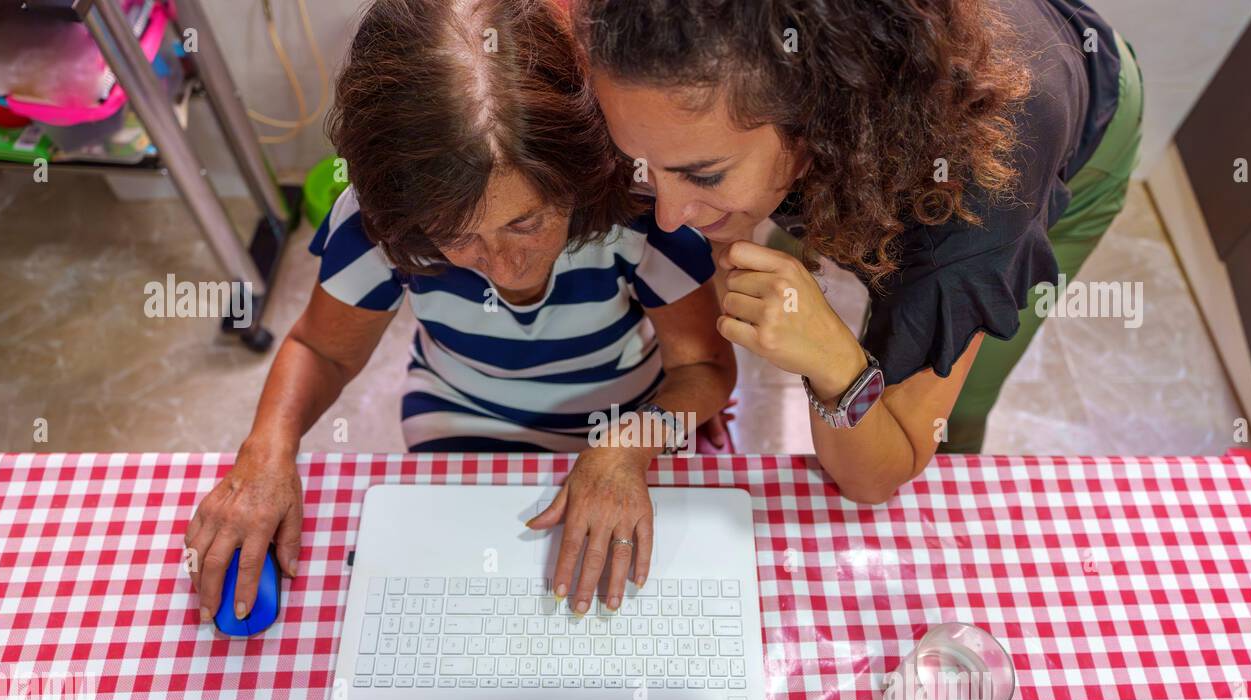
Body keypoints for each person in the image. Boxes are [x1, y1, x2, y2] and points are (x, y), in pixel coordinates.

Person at [185, 0, 734, 627]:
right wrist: (266, 452)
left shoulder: (638, 211)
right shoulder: (379, 220)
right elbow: (323, 350)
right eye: (457, 236)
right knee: (464, 611)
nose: (504, 269)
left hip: (624, 415)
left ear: (579, 177)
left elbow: (704, 367)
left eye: (526, 223)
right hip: (458, 419)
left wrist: (628, 445)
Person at [578, 0, 1143, 500]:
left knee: (953, 413)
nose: (667, 217)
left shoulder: (975, 215)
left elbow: (872, 479)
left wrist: (836, 368)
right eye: (644, 166)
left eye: (703, 175)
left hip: (1068, 124)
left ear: (819, 125)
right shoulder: (702, 75)